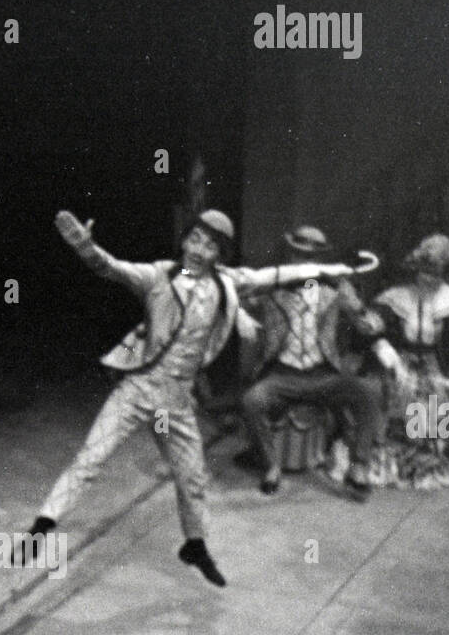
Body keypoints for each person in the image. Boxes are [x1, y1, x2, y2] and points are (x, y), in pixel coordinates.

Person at [25, 209, 362, 586]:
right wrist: (85, 247)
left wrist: (333, 268)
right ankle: (41, 527)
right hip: (138, 390)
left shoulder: (225, 283)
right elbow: (111, 268)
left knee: (193, 476)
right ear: (185, 240)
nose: (200, 250)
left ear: (219, 253)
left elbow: (276, 275)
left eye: (211, 245)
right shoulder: (160, 276)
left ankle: (194, 545)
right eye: (196, 239)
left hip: (176, 403)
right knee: (90, 459)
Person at [235, 224, 381, 499]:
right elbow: (236, 296)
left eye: (309, 258)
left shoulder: (335, 288)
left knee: (367, 392)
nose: (302, 262)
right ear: (289, 256)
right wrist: (242, 308)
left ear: (319, 261)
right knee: (252, 400)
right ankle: (271, 465)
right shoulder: (271, 287)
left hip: (322, 374)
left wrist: (357, 305)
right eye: (297, 255)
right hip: (281, 374)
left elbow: (369, 327)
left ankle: (359, 466)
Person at [352, 234, 449, 489]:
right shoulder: (397, 296)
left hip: (434, 364)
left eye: (436, 272)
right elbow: (374, 326)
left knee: (431, 396)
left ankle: (428, 456)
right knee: (383, 390)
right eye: (425, 271)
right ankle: (376, 457)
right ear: (415, 270)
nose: (430, 277)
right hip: (397, 362)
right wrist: (383, 347)